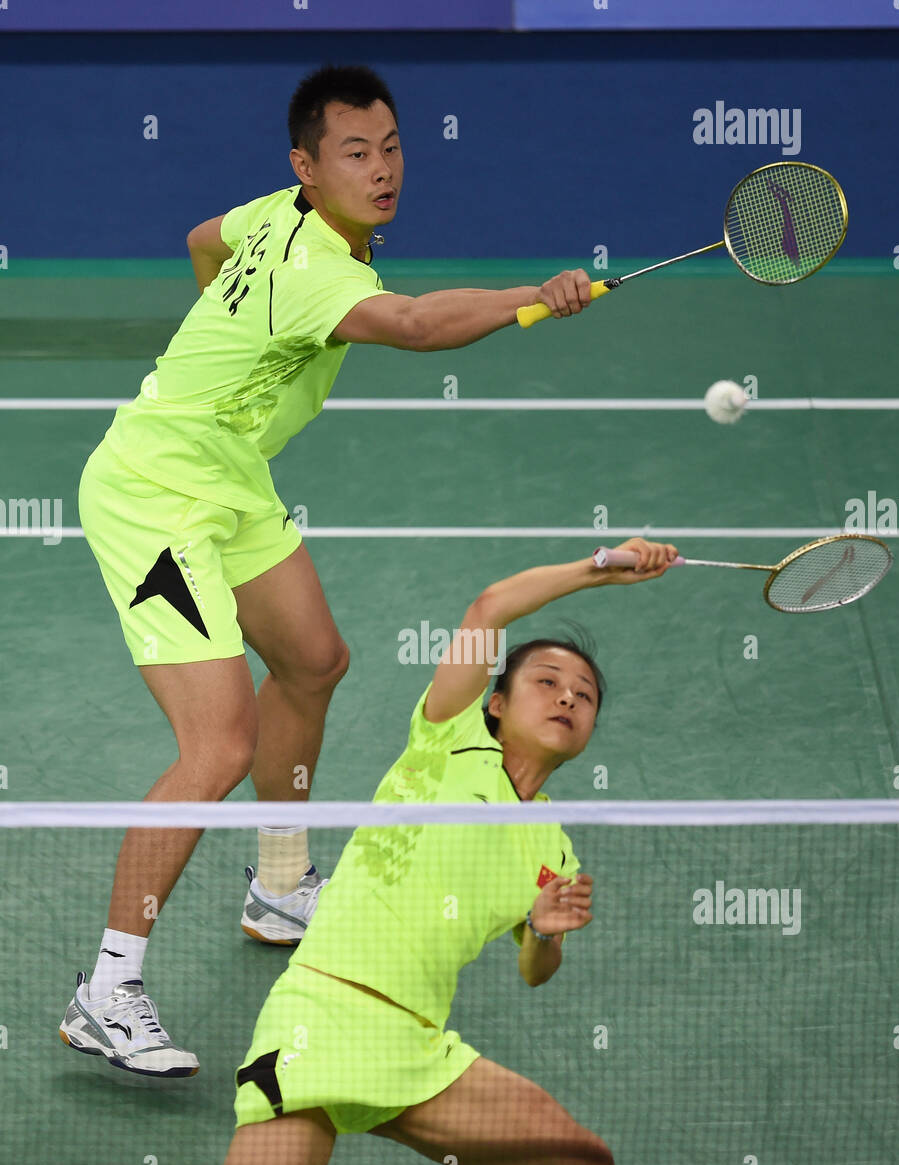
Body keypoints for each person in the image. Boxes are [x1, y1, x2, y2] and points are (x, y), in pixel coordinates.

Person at [61, 64, 599, 1078]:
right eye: (356, 154)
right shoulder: (319, 264)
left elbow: (200, 243)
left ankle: (276, 886)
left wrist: (233, 348)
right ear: (308, 168)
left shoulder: (274, 214)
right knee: (213, 746)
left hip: (228, 472)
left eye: (392, 145)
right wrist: (538, 296)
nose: (383, 169)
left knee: (312, 661)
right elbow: (412, 326)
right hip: (153, 492)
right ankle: (107, 985)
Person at [29, 537, 675, 1165]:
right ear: (495, 703)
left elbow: (536, 973)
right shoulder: (448, 741)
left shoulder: (554, 847)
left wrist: (541, 932)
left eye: (585, 694)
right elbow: (490, 606)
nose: (568, 697)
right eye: (547, 681)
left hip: (419, 1052)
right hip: (320, 1027)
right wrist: (600, 570)